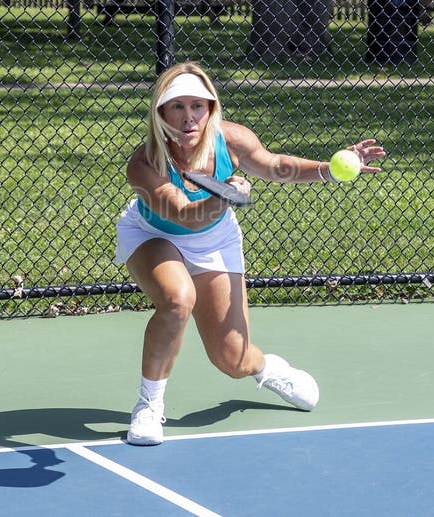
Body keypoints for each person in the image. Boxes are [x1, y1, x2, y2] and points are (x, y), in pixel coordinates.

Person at [115, 62, 386, 446]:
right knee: (177, 299)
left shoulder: (231, 139)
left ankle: (266, 367)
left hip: (216, 240)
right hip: (154, 234)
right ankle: (148, 405)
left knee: (232, 359)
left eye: (197, 105)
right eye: (177, 106)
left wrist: (330, 169)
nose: (189, 117)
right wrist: (225, 196)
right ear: (161, 113)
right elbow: (184, 215)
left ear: (210, 108)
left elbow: (275, 166)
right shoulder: (144, 163)